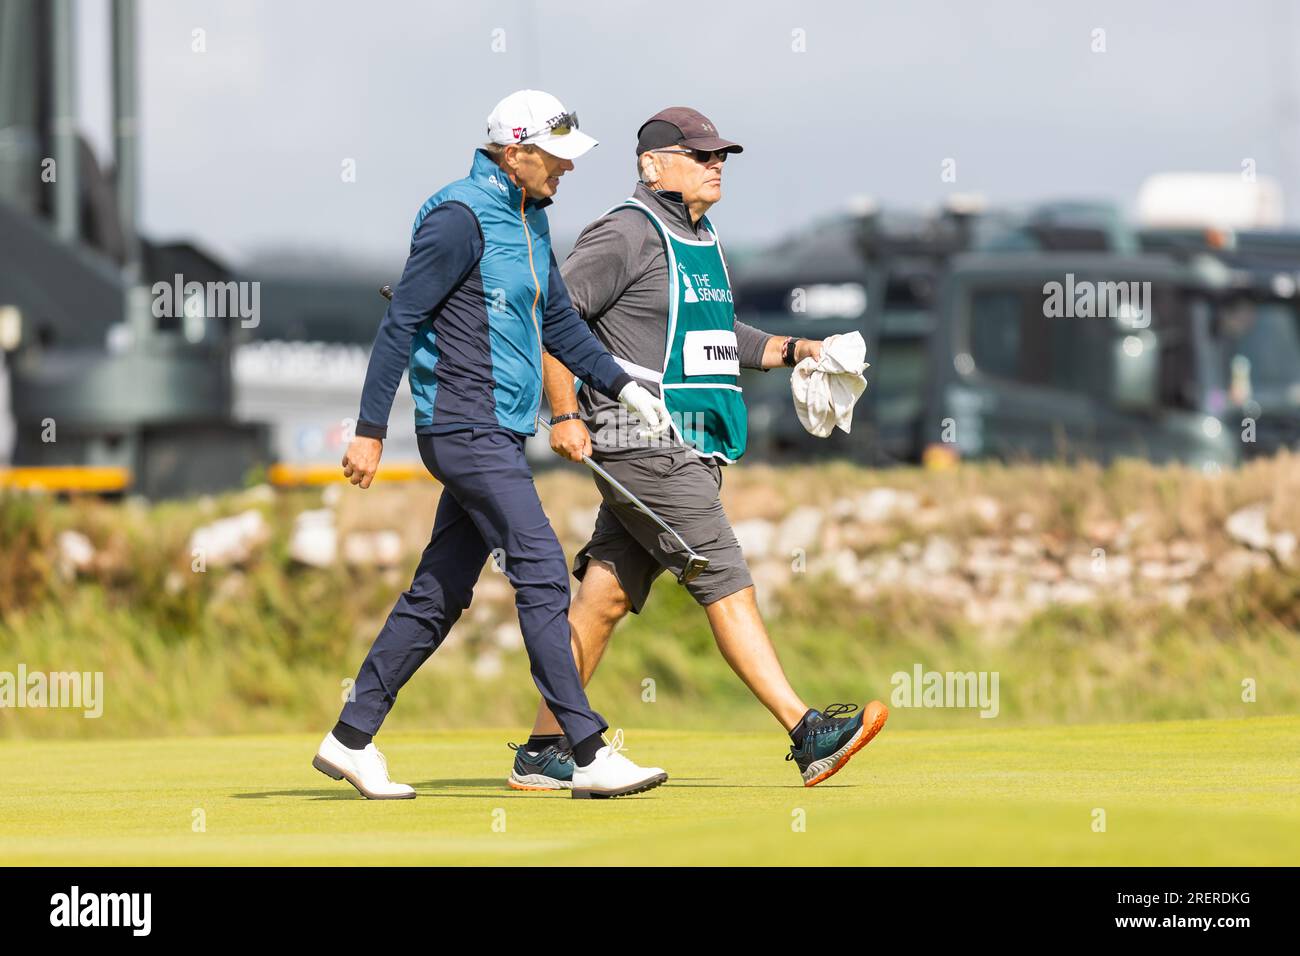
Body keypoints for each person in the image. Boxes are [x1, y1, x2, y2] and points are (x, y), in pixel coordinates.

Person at [505, 107, 888, 791]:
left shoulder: (700, 237)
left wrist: (799, 350)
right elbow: (552, 315)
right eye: (700, 155)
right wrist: (564, 412)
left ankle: (542, 750)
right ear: (652, 166)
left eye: (721, 157)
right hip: (645, 442)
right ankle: (807, 733)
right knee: (722, 574)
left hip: (690, 443)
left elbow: (717, 336)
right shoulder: (626, 231)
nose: (716, 165)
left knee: (604, 599)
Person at [312, 90, 673, 800]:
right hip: (464, 426)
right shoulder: (457, 219)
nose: (567, 171)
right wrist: (370, 431)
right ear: (516, 151)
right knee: (540, 567)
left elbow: (561, 328)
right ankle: (589, 751)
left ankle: (350, 738)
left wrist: (625, 386)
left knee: (439, 592)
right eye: (557, 157)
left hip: (497, 429)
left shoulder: (532, 220)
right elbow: (400, 325)